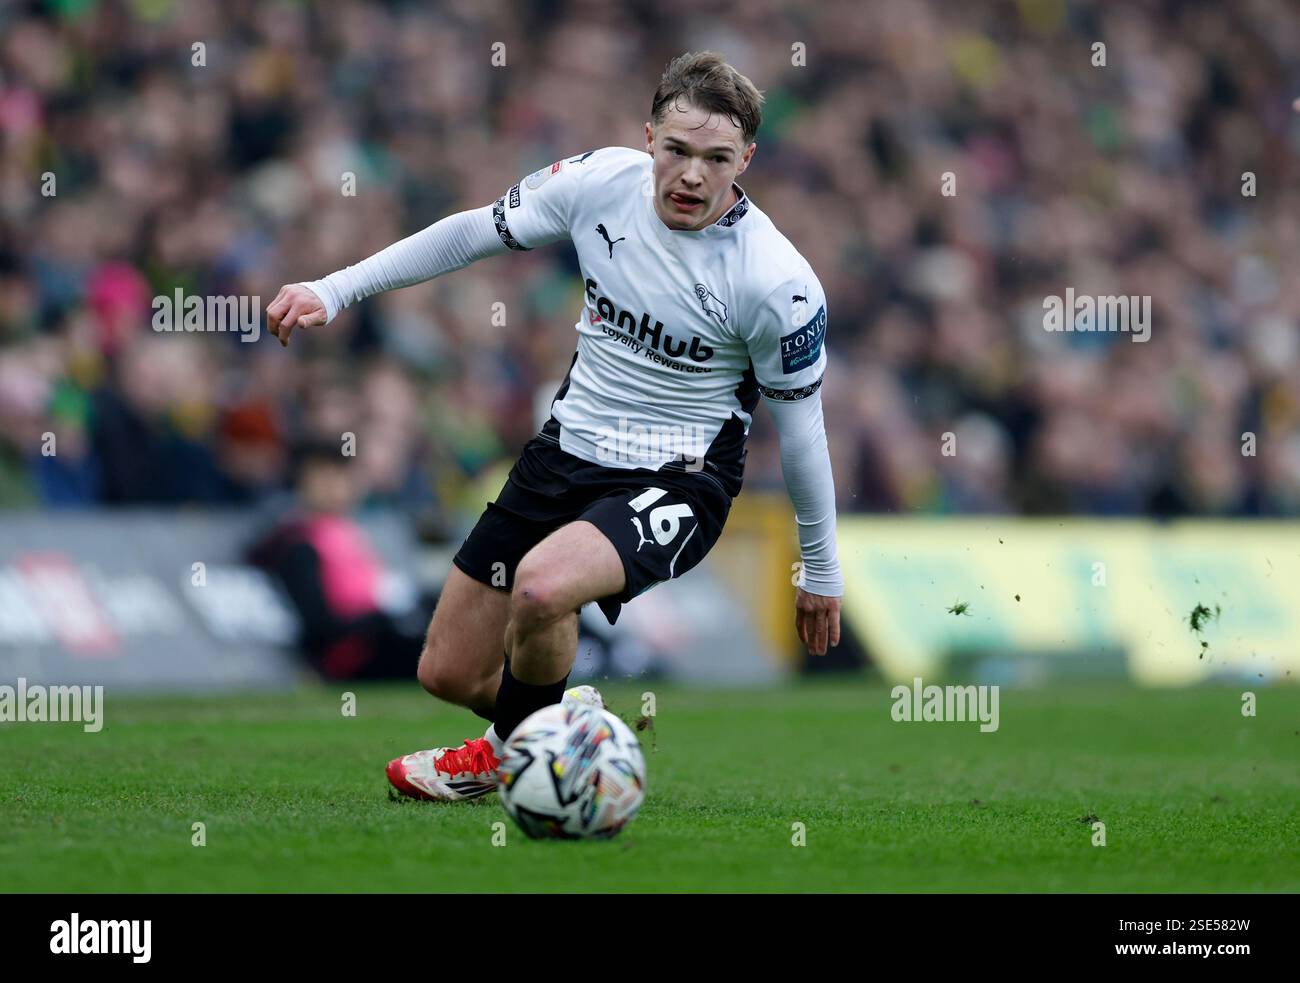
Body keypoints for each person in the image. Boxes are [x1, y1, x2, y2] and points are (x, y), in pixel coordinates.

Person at [266, 52, 843, 801]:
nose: (691, 176)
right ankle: (566, 727)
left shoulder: (776, 281)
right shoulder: (598, 184)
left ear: (747, 159)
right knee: (448, 671)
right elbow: (470, 233)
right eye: (676, 151)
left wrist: (821, 568)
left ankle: (515, 766)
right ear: (648, 140)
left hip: (678, 479)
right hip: (563, 453)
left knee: (542, 590)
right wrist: (333, 287)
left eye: (716, 158)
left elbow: (802, 432)